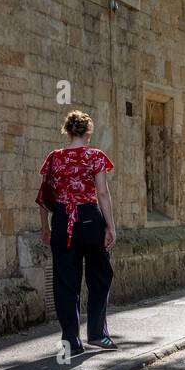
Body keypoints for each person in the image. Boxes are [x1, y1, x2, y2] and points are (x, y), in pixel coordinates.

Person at [37, 110, 117, 355]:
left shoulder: (54, 158)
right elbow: (102, 193)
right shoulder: (95, 156)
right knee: (100, 276)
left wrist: (46, 226)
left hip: (62, 220)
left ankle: (71, 340)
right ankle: (97, 333)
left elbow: (44, 197)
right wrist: (111, 226)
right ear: (88, 132)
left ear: (68, 131)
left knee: (65, 282)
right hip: (90, 220)